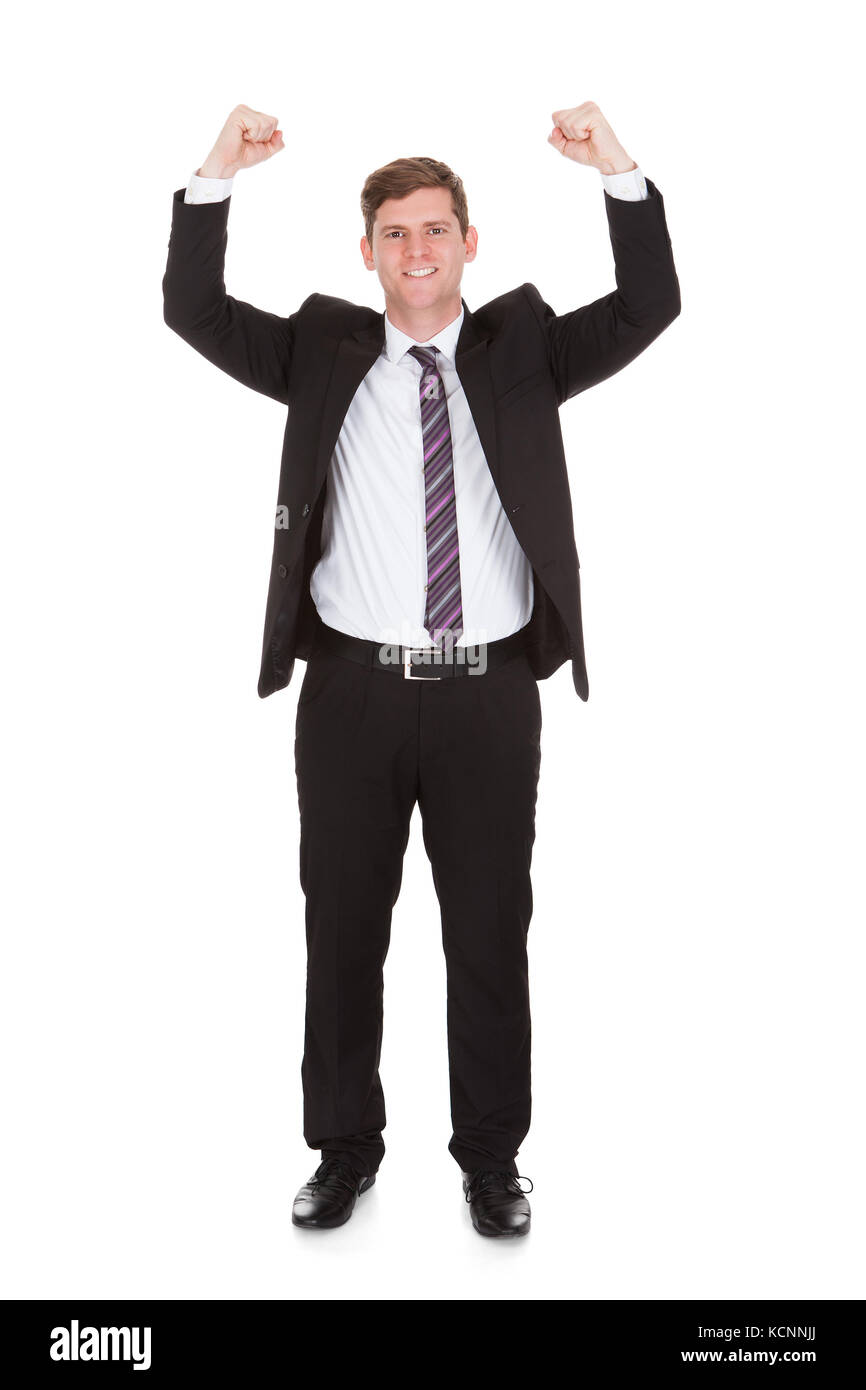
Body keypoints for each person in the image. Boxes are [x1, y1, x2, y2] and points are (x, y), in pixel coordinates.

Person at [162, 100, 681, 1237]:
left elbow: (651, 303)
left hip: (490, 695)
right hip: (349, 691)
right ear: (366, 252)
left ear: (468, 243)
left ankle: (490, 1160)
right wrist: (215, 171)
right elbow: (190, 308)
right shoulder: (320, 349)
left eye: (435, 228)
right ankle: (342, 1148)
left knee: (488, 930)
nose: (416, 250)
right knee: (343, 930)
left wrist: (615, 166)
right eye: (394, 232)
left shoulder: (523, 350)